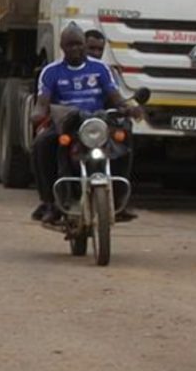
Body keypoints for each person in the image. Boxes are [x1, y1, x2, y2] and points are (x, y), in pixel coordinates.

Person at [31, 24, 145, 225]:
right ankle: (50, 202)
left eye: (79, 44)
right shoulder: (51, 72)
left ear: (84, 45)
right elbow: (42, 103)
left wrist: (129, 108)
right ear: (62, 47)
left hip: (97, 122)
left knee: (124, 136)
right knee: (41, 144)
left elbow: (116, 97)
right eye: (70, 45)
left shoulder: (100, 69)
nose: (75, 49)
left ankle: (119, 199)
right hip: (67, 124)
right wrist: (38, 114)